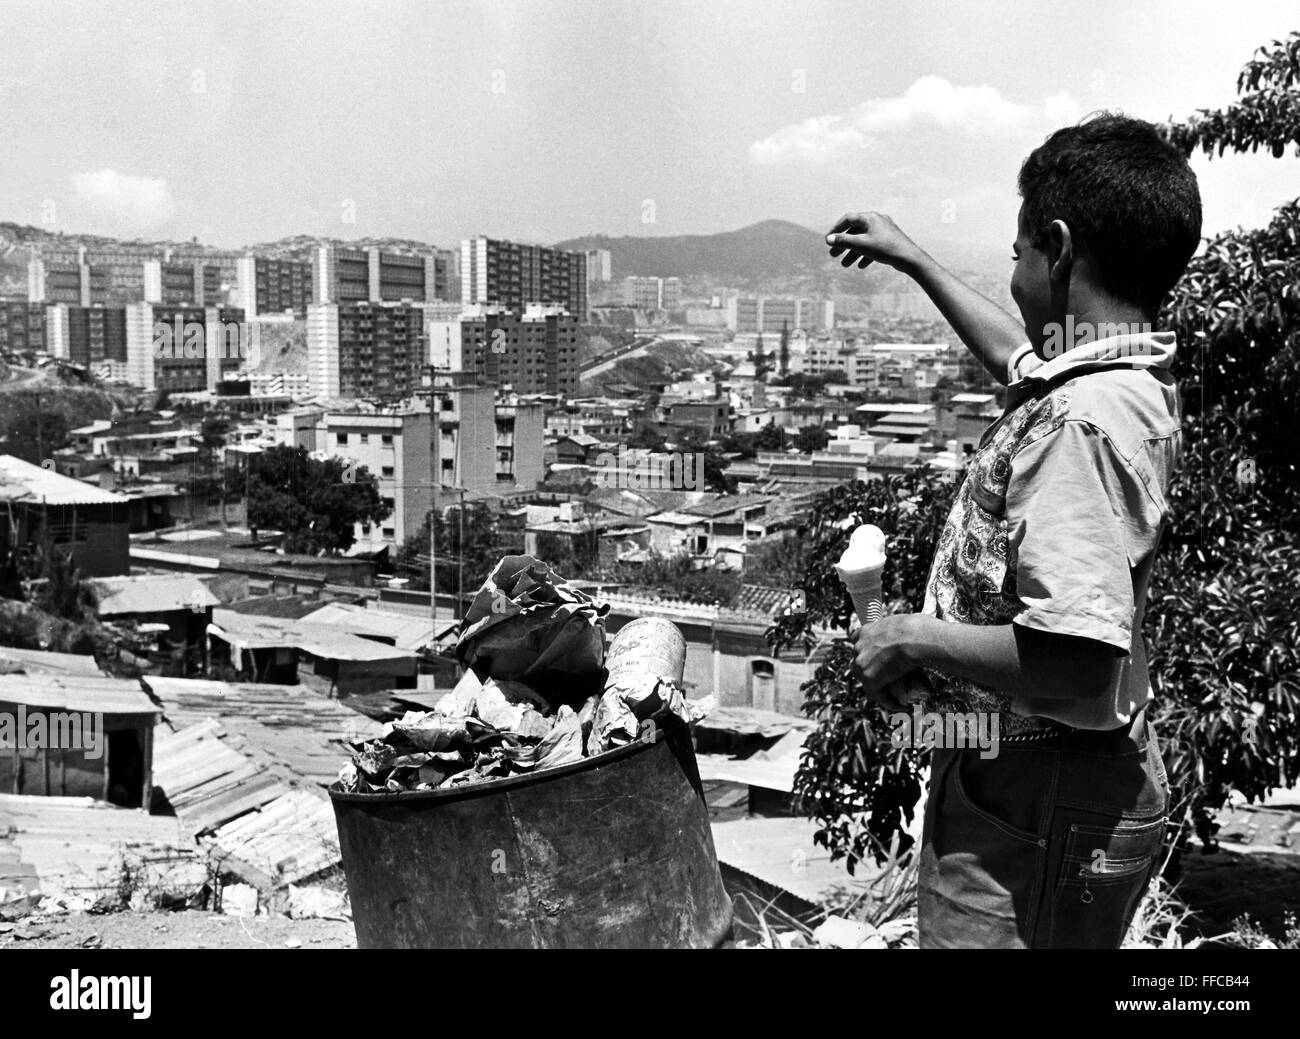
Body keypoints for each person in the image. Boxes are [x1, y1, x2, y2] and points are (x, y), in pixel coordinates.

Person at [824, 113, 1202, 948]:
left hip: (1041, 784)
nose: (1016, 272)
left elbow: (1075, 663)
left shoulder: (1080, 424)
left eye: (1019, 253)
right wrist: (915, 258)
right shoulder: (1122, 374)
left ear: (1059, 248)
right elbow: (1017, 359)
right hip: (1034, 766)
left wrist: (910, 638)